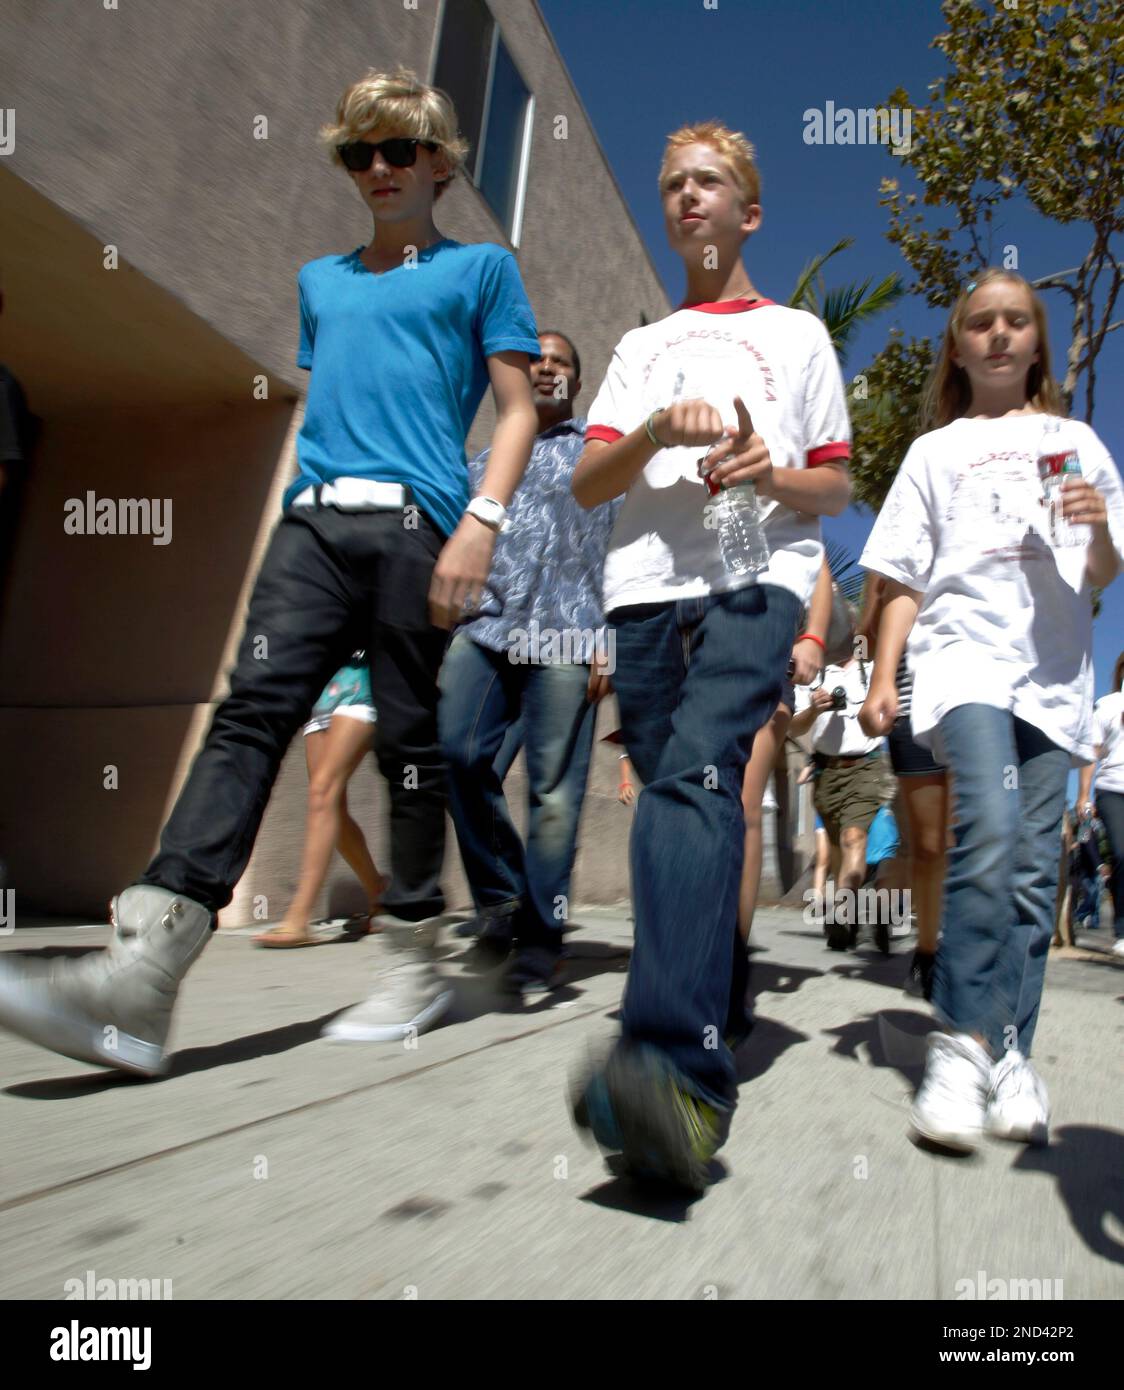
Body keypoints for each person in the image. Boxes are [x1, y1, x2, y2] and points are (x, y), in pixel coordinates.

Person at [0, 68, 540, 1072]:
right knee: (250, 710)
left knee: (409, 743)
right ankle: (143, 974)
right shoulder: (319, 282)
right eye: (358, 153)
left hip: (420, 526)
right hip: (313, 528)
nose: (377, 169)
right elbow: (334, 404)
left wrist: (483, 523)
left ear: (437, 163)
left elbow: (516, 411)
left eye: (398, 150)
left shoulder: (480, 271)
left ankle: (413, 959)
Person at [569, 121, 852, 1190]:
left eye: (709, 182)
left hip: (756, 575)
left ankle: (671, 1066)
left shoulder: (796, 336)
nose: (688, 197)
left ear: (750, 211)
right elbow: (588, 483)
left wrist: (766, 469)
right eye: (673, 184)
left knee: (695, 777)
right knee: (670, 801)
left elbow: (834, 486)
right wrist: (654, 432)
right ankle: (700, 1006)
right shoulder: (640, 349)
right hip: (646, 589)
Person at [859, 268, 1124, 1152]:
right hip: (962, 663)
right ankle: (960, 1045)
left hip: (1053, 678)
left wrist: (1099, 525)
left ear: (1037, 342)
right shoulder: (936, 451)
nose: (1001, 333)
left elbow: (1100, 569)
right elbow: (902, 575)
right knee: (993, 833)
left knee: (1036, 870)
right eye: (982, 322)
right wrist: (882, 676)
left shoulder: (1072, 441)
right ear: (959, 346)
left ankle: (1013, 1053)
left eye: (1017, 320)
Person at [438, 331, 617, 996]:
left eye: (560, 361)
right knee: (456, 753)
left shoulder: (600, 455)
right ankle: (503, 897)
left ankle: (541, 939)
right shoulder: (486, 463)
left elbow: (623, 553)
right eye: (535, 358)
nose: (545, 367)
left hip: (570, 635)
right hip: (487, 627)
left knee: (554, 795)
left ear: (577, 380)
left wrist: (609, 642)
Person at [253, 655, 388, 948]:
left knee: (323, 792)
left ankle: (298, 918)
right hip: (323, 692)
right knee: (329, 805)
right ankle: (378, 894)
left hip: (363, 685)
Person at [863, 574, 949, 998]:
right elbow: (864, 640)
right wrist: (878, 601)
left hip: (979, 697)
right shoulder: (891, 552)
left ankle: (955, 952)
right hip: (913, 708)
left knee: (969, 837)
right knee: (928, 847)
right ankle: (926, 949)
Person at [789, 610, 891, 951]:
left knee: (854, 838)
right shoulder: (812, 673)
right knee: (835, 852)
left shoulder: (871, 669)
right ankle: (850, 916)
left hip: (866, 767)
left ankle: (843, 911)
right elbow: (795, 727)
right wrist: (814, 709)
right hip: (826, 772)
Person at [1079, 651, 1124, 956]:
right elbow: (1091, 753)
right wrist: (1083, 796)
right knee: (1122, 853)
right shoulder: (1108, 705)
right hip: (1112, 789)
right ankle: (1121, 930)